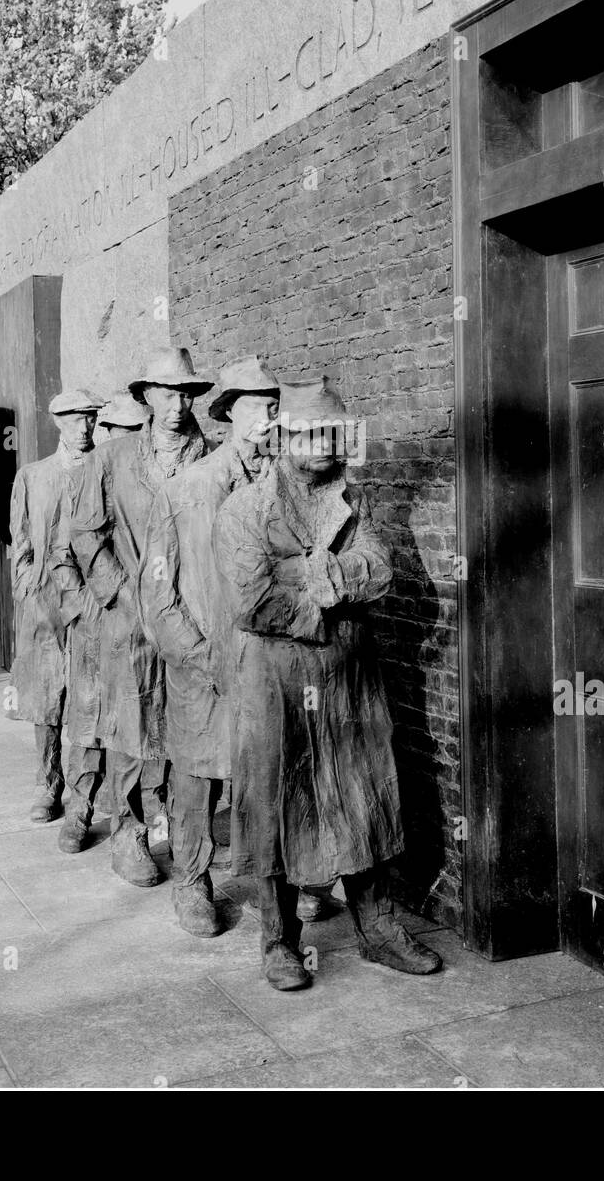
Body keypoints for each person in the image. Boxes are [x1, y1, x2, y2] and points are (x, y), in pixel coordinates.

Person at [212, 377, 443, 990]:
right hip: (276, 680)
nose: (321, 442)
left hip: (348, 677)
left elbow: (383, 572)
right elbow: (253, 602)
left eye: (330, 431)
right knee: (274, 800)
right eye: (308, 431)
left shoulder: (353, 501)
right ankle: (279, 942)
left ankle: (379, 929)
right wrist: (328, 599)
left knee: (362, 791)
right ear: (285, 438)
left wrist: (313, 572)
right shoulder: (243, 509)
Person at [142, 354, 279, 936]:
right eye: (255, 409)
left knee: (268, 770)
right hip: (201, 662)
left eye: (275, 409)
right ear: (228, 414)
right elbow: (157, 593)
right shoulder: (187, 489)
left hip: (266, 659)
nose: (267, 421)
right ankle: (192, 881)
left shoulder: (284, 486)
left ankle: (278, 881)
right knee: (198, 774)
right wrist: (199, 656)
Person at [72, 346, 212, 887]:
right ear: (145, 396)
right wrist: (122, 598)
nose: (175, 403)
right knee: (130, 733)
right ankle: (128, 834)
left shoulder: (213, 457)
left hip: (193, 619)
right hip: (129, 620)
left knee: (191, 732)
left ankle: (186, 838)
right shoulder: (110, 460)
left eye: (184, 392)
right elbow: (86, 536)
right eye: (164, 391)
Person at [7, 390, 103, 824]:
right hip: (44, 601)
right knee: (46, 698)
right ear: (57, 421)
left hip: (92, 599)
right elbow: (21, 540)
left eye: (90, 419)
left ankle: (87, 794)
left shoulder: (107, 468)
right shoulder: (33, 475)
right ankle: (48, 785)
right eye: (76, 419)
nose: (85, 427)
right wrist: (28, 589)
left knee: (88, 696)